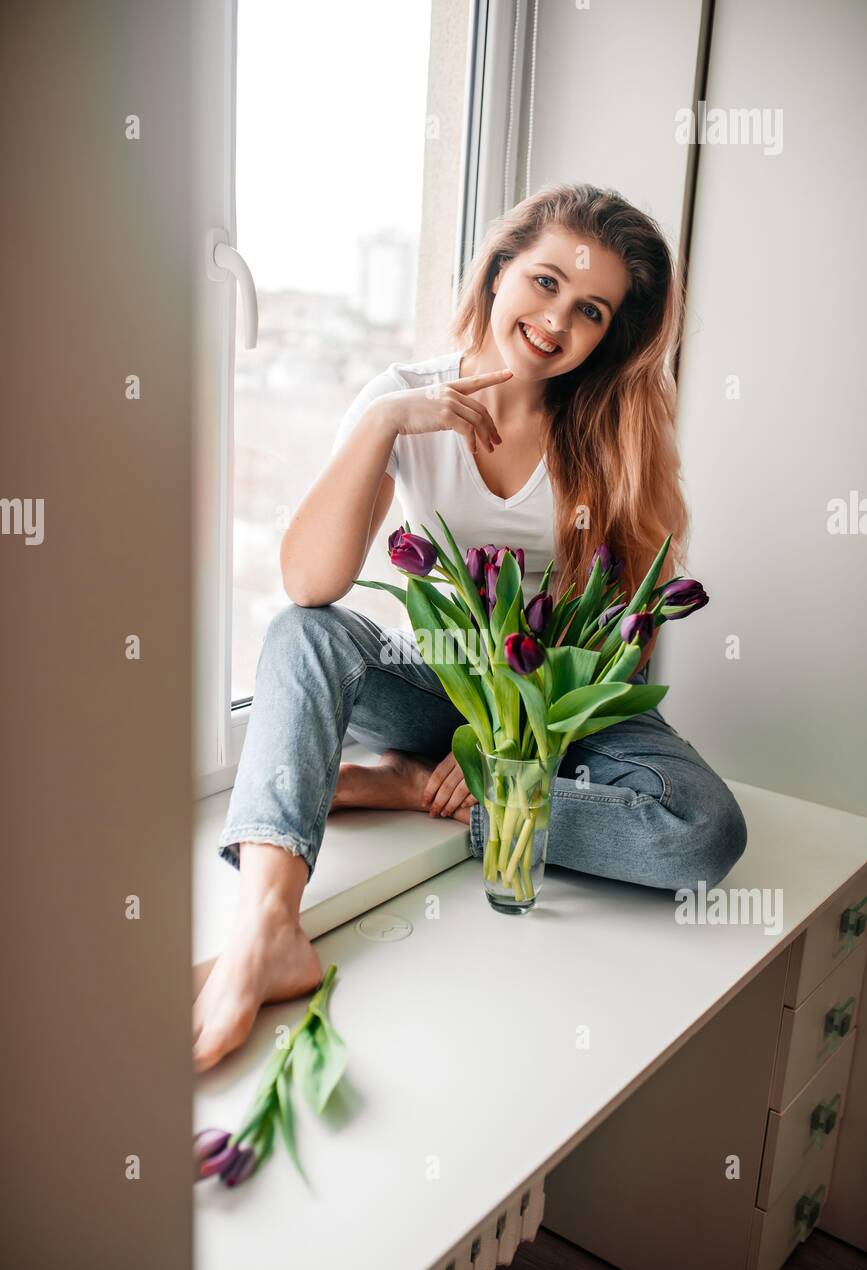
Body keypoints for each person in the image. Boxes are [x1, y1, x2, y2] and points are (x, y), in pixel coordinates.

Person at [192, 183, 748, 1072]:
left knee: (700, 835)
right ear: (496, 270)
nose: (555, 319)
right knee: (305, 636)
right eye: (542, 282)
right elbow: (309, 584)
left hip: (569, 707)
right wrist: (380, 424)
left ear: (609, 333)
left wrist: (511, 746)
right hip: (445, 681)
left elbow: (625, 623)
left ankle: (430, 789)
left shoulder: (614, 430)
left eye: (590, 310)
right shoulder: (400, 402)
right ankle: (269, 923)